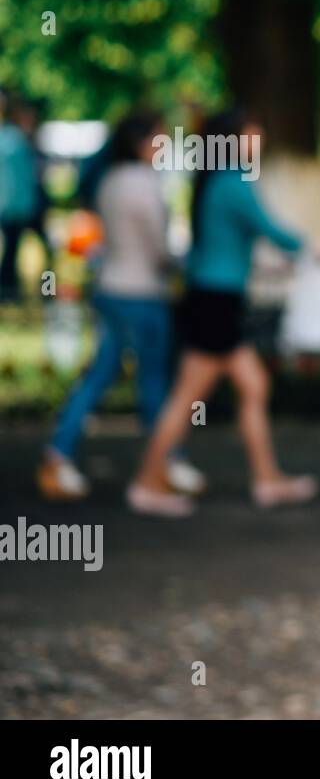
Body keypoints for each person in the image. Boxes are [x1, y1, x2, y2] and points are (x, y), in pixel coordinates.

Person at [126, 108, 318, 516]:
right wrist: (315, 246)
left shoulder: (216, 181)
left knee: (253, 385)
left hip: (213, 299)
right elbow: (274, 231)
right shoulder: (234, 183)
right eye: (253, 134)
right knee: (188, 396)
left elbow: (225, 246)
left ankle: (267, 480)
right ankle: (146, 481)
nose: (259, 141)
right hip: (216, 304)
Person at [39, 110, 206, 502]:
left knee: (99, 374)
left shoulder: (110, 181)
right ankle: (163, 462)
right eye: (159, 138)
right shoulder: (146, 184)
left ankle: (59, 453)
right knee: (153, 381)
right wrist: (183, 264)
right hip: (142, 292)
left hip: (109, 287)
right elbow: (160, 249)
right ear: (142, 142)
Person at [0, 88, 43, 301]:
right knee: (11, 250)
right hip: (13, 205)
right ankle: (8, 288)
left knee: (13, 249)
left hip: (17, 204)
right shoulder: (12, 139)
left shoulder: (14, 137)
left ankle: (11, 288)